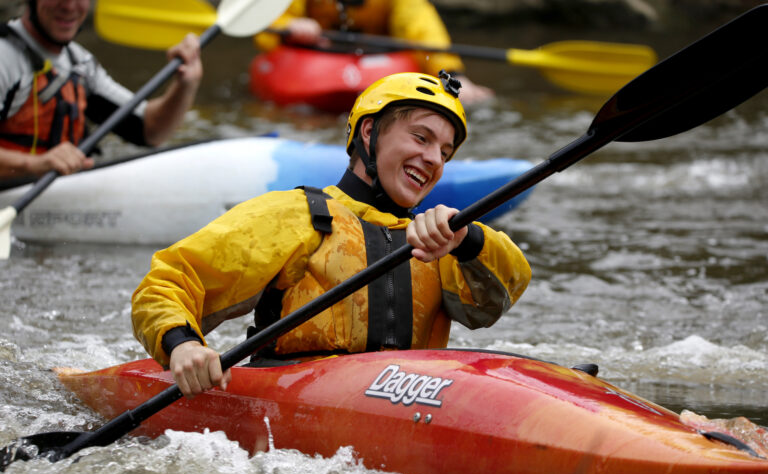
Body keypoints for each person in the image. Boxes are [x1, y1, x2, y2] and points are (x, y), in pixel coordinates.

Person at [132, 71, 530, 398]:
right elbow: (166, 283)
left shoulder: (439, 243)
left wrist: (468, 240)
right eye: (421, 138)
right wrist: (182, 344)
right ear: (370, 132)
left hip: (405, 406)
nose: (432, 159)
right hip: (295, 403)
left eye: (444, 152)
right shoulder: (297, 216)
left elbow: (503, 293)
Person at [0, 0, 202, 190]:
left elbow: (150, 130)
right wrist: (33, 164)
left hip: (54, 196)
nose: (70, 6)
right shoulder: (4, 58)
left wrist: (185, 84)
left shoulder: (79, 63)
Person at [255, 0, 493, 105]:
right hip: (311, 60)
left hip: (378, 60)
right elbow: (268, 27)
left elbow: (423, 29)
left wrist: (452, 75)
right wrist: (289, 26)